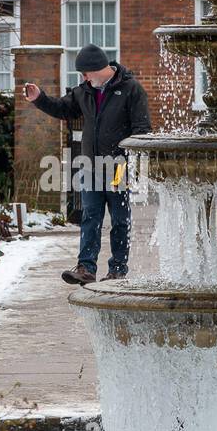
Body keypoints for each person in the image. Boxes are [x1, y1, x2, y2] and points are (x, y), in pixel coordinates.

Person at [23, 43, 152, 284]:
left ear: (97, 68)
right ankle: (86, 268)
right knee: (90, 216)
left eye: (85, 73)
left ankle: (118, 270)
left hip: (118, 168)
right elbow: (63, 109)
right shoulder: (84, 91)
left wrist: (129, 162)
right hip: (90, 166)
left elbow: (142, 130)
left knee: (120, 219)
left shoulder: (131, 89)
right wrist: (39, 98)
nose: (83, 78)